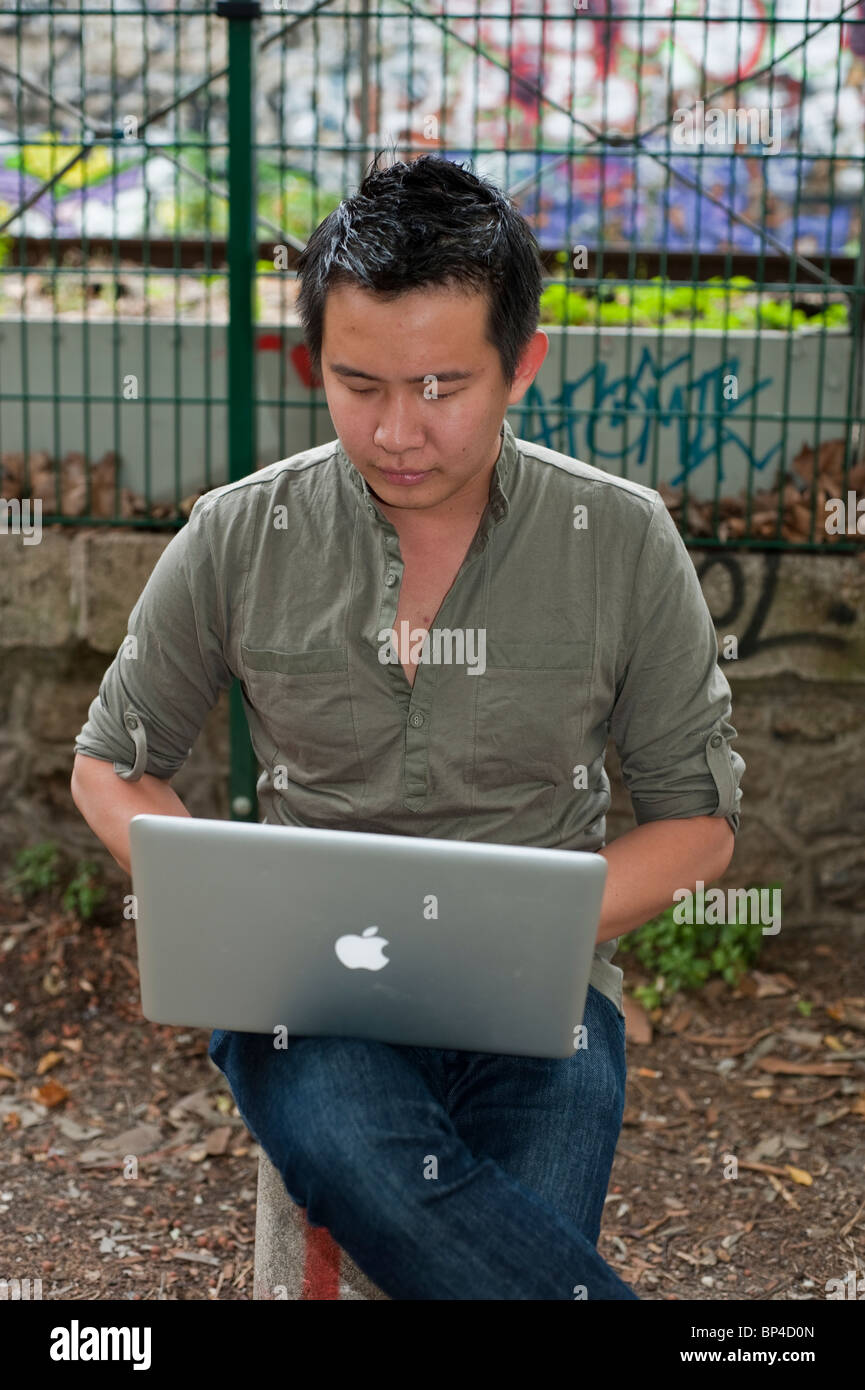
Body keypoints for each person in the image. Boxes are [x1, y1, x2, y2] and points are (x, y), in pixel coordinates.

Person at [70, 153, 744, 1300]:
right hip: (306, 1002)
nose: (396, 430)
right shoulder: (239, 534)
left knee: (479, 1235)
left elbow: (698, 822)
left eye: (441, 385)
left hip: (544, 1004)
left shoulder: (622, 541)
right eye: (359, 384)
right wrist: (214, 891)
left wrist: (530, 927)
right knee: (359, 1148)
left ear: (521, 362)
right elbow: (110, 762)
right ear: (312, 365)